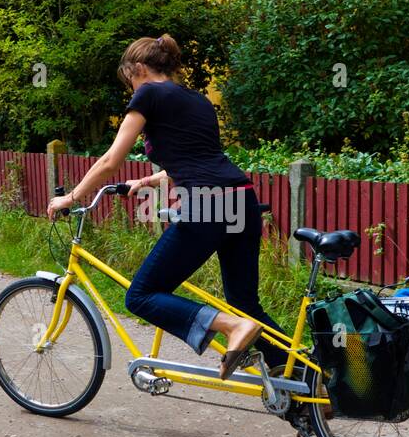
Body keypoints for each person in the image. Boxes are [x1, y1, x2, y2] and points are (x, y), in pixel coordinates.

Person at [47, 35, 285, 379]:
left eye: (130, 80)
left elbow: (111, 160)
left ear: (139, 69)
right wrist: (143, 183)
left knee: (141, 296)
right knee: (246, 304)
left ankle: (231, 328)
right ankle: (308, 382)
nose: (131, 90)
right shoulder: (198, 100)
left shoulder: (149, 93)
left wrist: (71, 197)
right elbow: (194, 161)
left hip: (207, 206)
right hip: (241, 201)